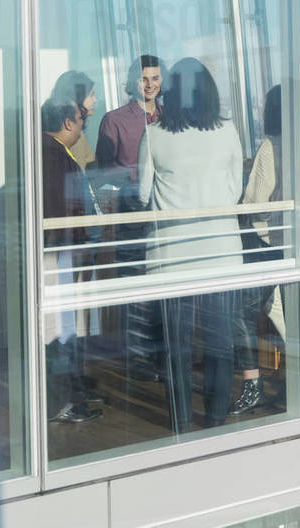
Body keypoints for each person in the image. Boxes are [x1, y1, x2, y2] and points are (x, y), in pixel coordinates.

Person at [138, 58, 243, 430]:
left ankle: (181, 420)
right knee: (220, 341)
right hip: (220, 248)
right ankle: (214, 416)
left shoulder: (153, 135)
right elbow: (236, 189)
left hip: (171, 254)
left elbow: (141, 192)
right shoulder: (228, 130)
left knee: (175, 345)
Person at [96, 55, 166, 382]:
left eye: (155, 78)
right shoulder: (115, 120)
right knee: (136, 286)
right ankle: (138, 359)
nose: (150, 84)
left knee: (164, 283)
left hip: (166, 209)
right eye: (144, 79)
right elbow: (102, 171)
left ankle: (164, 355)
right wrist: (136, 174)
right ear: (132, 81)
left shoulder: (171, 119)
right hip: (132, 209)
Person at [41, 96, 104, 424]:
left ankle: (63, 397)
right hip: (58, 254)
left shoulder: (45, 152)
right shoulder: (54, 157)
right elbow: (62, 212)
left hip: (56, 253)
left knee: (60, 329)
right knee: (59, 331)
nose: (82, 124)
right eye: (81, 119)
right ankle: (59, 403)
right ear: (68, 123)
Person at [229, 85, 286, 417]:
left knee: (242, 311)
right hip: (295, 243)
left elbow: (255, 205)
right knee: (277, 307)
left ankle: (252, 386)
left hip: (265, 245)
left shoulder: (269, 148)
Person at [50, 70, 98, 169]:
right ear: (78, 97)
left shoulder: (68, 129)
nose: (95, 100)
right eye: (91, 95)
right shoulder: (71, 135)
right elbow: (78, 180)